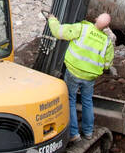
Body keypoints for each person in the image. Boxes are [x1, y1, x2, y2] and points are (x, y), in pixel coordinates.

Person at [46, 11, 116, 141]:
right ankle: (88, 132)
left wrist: (52, 19)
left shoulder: (82, 28)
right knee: (87, 101)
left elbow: (58, 32)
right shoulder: (107, 42)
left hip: (73, 72)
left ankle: (74, 134)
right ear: (107, 27)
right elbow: (107, 65)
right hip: (89, 77)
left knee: (70, 100)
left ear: (95, 19)